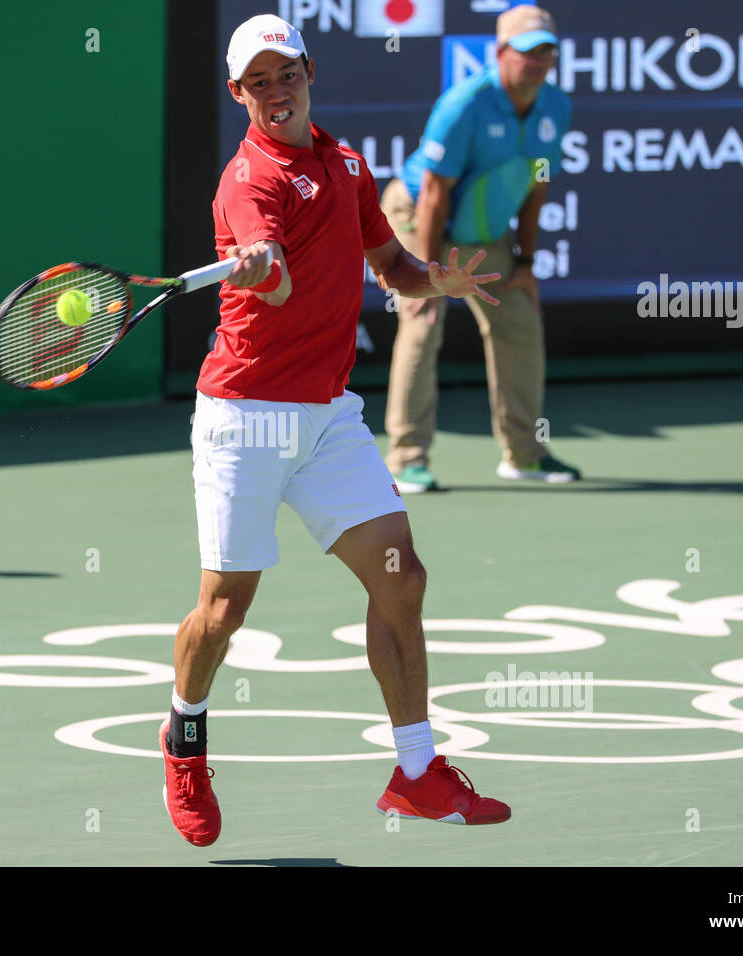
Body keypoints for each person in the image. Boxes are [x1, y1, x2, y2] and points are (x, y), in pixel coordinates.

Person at [159, 13, 510, 848]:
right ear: (237, 93)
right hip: (244, 419)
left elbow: (387, 263)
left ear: (309, 72)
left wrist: (437, 279)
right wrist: (262, 267)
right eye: (258, 81)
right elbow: (274, 280)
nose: (276, 92)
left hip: (326, 418)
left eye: (288, 74)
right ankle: (186, 735)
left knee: (402, 578)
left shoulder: (346, 162)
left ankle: (418, 773)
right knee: (223, 609)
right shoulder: (248, 180)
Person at [381, 4, 581, 493]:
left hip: (484, 232)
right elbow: (433, 192)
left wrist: (526, 263)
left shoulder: (556, 107)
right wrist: (428, 275)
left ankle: (525, 453)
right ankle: (406, 459)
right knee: (423, 324)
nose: (537, 62)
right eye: (527, 52)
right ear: (501, 53)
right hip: (421, 218)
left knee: (520, 322)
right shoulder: (465, 103)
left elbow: (537, 187)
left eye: (546, 53)